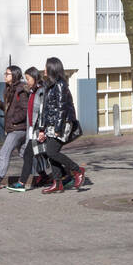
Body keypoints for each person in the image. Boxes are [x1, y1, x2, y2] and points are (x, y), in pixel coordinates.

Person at [37, 57, 86, 195]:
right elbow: (45, 110)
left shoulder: (60, 85)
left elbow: (61, 108)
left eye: (46, 67)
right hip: (51, 125)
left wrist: (58, 129)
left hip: (62, 124)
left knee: (51, 152)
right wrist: (42, 129)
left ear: (52, 69)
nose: (44, 69)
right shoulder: (49, 85)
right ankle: (57, 183)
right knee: (50, 152)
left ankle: (77, 170)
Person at [9, 68, 53, 192]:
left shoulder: (41, 92)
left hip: (39, 130)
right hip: (33, 129)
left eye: (28, 78)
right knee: (42, 155)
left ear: (34, 77)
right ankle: (49, 176)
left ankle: (22, 183)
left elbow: (43, 112)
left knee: (30, 154)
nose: (26, 81)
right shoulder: (33, 92)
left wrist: (41, 130)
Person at [0, 65, 28, 189]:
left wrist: (13, 121)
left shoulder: (20, 90)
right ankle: (43, 174)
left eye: (7, 73)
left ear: (14, 75)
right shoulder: (8, 90)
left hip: (18, 129)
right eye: (5, 73)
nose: (5, 75)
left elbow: (25, 111)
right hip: (15, 127)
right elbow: (10, 110)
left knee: (3, 153)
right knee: (25, 154)